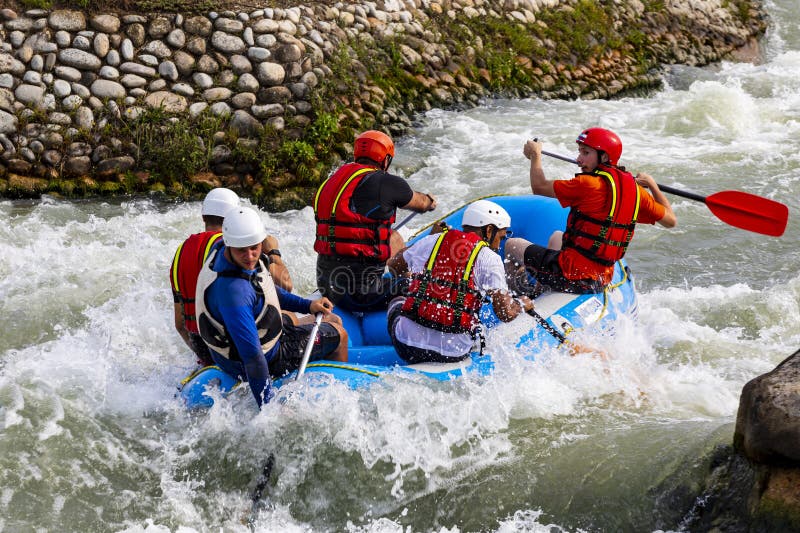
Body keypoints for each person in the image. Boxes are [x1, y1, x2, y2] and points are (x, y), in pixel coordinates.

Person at [195, 206, 348, 407]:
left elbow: (265, 288)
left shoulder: (221, 251)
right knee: (339, 331)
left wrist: (308, 305)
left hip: (237, 346)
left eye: (254, 248)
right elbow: (253, 357)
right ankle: (339, 397)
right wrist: (268, 407)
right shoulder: (235, 294)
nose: (250, 256)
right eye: (242, 250)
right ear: (230, 244)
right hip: (258, 360)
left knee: (304, 316)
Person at [506, 128, 677, 295]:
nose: (579, 159)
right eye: (579, 152)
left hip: (573, 276)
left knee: (512, 245)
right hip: (601, 278)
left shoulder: (588, 184)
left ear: (604, 157)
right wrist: (652, 185)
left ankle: (518, 298)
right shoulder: (636, 192)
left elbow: (539, 187)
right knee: (557, 236)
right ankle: (543, 288)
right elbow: (671, 220)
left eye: (586, 153)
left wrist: (535, 155)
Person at [385, 200, 534, 363]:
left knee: (397, 301)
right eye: (500, 237)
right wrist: (521, 304)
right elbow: (505, 313)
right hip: (453, 353)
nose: (499, 246)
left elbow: (393, 266)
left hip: (408, 348)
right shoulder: (491, 259)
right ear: (489, 230)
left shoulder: (432, 240)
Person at [313, 130, 438, 312]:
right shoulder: (387, 182)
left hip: (327, 285)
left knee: (392, 236)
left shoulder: (331, 181)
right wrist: (430, 201)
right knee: (428, 286)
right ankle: (402, 298)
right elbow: (421, 203)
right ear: (385, 160)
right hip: (362, 293)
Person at [170, 188, 292, 367]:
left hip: (203, 345)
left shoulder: (180, 252)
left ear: (203, 217)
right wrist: (273, 251)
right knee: (290, 316)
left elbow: (180, 325)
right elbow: (286, 285)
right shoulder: (234, 248)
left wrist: (206, 358)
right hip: (237, 346)